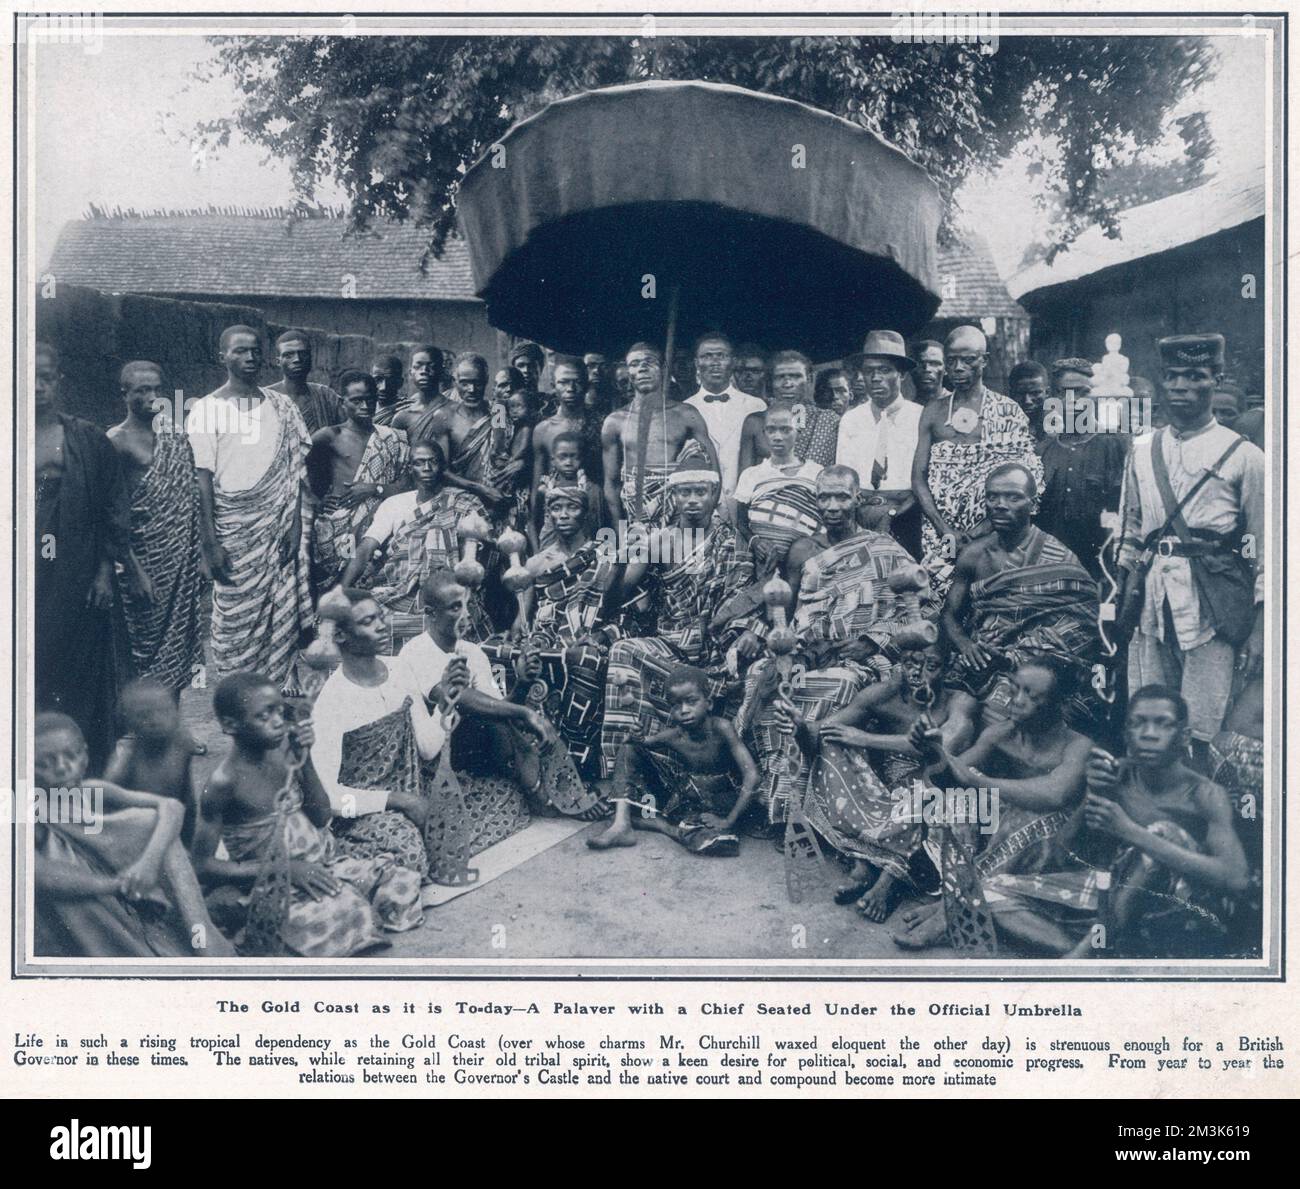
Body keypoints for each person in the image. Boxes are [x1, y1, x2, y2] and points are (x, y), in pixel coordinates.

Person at [741, 466, 927, 829]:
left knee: (837, 682)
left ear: (857, 498)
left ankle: (806, 811)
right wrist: (766, 636)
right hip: (806, 650)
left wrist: (872, 640)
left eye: (841, 496)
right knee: (761, 678)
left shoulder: (884, 548)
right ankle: (779, 804)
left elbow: (921, 608)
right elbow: (787, 608)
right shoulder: (803, 550)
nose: (832, 505)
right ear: (815, 499)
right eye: (824, 496)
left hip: (864, 658)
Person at [194, 669, 425, 955]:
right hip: (275, 882)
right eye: (263, 716)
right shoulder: (223, 783)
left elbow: (321, 817)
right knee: (346, 910)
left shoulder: (284, 752)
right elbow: (202, 865)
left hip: (323, 865)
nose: (278, 722)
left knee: (400, 881)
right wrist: (285, 869)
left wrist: (305, 759)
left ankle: (348, 912)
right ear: (230, 725)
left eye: (279, 711)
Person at [1117, 334, 1264, 771]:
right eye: (1173, 376)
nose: (1181, 386)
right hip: (1151, 601)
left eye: (1196, 376)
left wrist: (1260, 629)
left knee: (1205, 723)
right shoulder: (1142, 449)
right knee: (1149, 716)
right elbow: (1130, 529)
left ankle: (1201, 814)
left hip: (1212, 600)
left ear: (1215, 381)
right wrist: (1125, 591)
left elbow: (1265, 550)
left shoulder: (1244, 455)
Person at [893, 655, 1092, 951]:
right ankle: (959, 900)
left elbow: (1055, 795)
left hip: (1056, 853)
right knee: (954, 803)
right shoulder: (1000, 734)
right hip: (1004, 849)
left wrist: (978, 782)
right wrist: (936, 754)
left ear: (1057, 704)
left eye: (1031, 695)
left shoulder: (1078, 746)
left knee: (1028, 813)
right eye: (1015, 689)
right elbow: (950, 780)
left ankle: (952, 909)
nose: (1017, 700)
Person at [776, 639, 977, 921]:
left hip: (931, 793)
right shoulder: (881, 695)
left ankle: (885, 879)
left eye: (930, 666)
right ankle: (867, 863)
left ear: (947, 668)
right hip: (884, 794)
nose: (917, 674)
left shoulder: (961, 702)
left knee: (941, 793)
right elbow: (820, 732)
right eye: (910, 664)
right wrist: (799, 727)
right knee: (832, 741)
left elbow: (946, 744)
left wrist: (866, 738)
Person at [600, 458, 763, 777]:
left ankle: (674, 773)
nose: (692, 499)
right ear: (672, 496)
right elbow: (612, 601)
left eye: (700, 492)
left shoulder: (733, 542)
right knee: (624, 652)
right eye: (684, 492)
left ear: (714, 493)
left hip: (715, 653)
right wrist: (620, 560)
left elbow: (747, 599)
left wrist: (747, 633)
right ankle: (622, 774)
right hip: (669, 648)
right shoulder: (660, 540)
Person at [33, 711, 234, 958]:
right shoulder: (34, 812)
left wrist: (147, 864)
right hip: (91, 899)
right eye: (45, 763)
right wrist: (118, 885)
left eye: (71, 756)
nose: (63, 768)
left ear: (84, 754)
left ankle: (200, 936)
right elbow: (39, 875)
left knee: (148, 821)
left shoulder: (91, 791)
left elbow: (172, 807)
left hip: (133, 883)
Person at [398, 570, 587, 822]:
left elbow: (497, 707)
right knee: (504, 719)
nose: (465, 615)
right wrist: (526, 712)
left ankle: (549, 788)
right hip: (433, 756)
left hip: (468, 745)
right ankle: (542, 793)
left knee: (502, 719)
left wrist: (522, 684)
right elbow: (457, 697)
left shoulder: (472, 651)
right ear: (430, 614)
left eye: (467, 605)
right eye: (455, 608)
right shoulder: (416, 651)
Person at [35, 341, 144, 769]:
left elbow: (111, 509)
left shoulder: (84, 438)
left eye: (47, 378)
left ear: (59, 381)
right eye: (30, 378)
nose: (39, 387)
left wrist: (104, 573)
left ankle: (84, 764)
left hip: (75, 574)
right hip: (19, 575)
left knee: (76, 673)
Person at [188, 325, 312, 690]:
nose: (250, 357)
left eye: (256, 350)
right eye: (240, 351)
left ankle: (272, 692)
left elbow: (294, 473)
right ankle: (236, 693)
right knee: (232, 619)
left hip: (278, 529)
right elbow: (202, 480)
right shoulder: (206, 410)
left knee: (281, 612)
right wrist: (209, 543)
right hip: (232, 530)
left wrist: (296, 526)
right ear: (222, 356)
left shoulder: (282, 407)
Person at [941, 464, 1100, 726]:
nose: (1000, 505)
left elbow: (1082, 627)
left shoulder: (1059, 559)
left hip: (1036, 671)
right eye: (992, 497)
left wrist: (1014, 657)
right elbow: (949, 613)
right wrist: (965, 646)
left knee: (1000, 717)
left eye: (1013, 497)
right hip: (981, 660)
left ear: (1033, 505)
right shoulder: (974, 555)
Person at [491, 480, 624, 780]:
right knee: (514, 655)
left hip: (591, 632)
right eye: (556, 508)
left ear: (586, 513)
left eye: (572, 507)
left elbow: (615, 606)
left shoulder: (605, 554)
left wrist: (599, 633)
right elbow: (523, 615)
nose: (563, 515)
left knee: (584, 658)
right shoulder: (538, 562)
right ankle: (532, 752)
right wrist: (516, 633)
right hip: (549, 635)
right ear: (549, 514)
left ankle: (579, 759)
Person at [912, 325, 1042, 594]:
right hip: (940, 532)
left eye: (968, 360)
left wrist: (983, 528)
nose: (958, 368)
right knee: (939, 597)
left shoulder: (1007, 411)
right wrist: (943, 528)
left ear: (984, 360)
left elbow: (1027, 478)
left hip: (995, 529)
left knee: (990, 595)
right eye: (951, 361)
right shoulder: (933, 412)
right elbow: (918, 478)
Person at [107, 360, 205, 700]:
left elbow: (190, 495)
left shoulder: (174, 436)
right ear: (124, 394)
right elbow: (110, 513)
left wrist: (200, 555)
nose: (152, 397)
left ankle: (172, 726)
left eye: (156, 389)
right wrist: (132, 569)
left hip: (180, 559)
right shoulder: (115, 442)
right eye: (141, 390)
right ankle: (144, 728)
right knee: (142, 647)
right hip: (141, 558)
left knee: (178, 645)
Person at [590, 666, 760, 855]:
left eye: (691, 701)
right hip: (688, 798)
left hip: (722, 803)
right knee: (629, 748)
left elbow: (751, 774)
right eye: (676, 705)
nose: (684, 710)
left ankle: (663, 826)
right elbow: (641, 743)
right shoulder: (674, 735)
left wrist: (729, 820)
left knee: (716, 841)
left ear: (709, 703)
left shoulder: (722, 729)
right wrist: (635, 737)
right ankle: (621, 824)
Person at [341, 441, 493, 650]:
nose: (427, 469)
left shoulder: (465, 504)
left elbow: (478, 556)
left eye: (433, 462)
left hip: (446, 593)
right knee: (365, 617)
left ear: (442, 466)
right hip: (397, 591)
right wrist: (343, 590)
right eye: (419, 463)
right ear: (409, 468)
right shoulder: (394, 504)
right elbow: (366, 548)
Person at [306, 370, 408, 590]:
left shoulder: (392, 437)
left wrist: (374, 488)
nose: (365, 406)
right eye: (357, 400)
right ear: (343, 402)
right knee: (338, 583)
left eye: (370, 400)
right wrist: (318, 502)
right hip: (339, 528)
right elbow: (298, 476)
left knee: (372, 586)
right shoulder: (330, 436)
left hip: (381, 525)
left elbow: (407, 488)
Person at [600, 341, 718, 527]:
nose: (642, 369)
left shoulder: (686, 414)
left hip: (681, 513)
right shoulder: (615, 421)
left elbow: (712, 472)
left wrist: (704, 518)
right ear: (629, 373)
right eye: (635, 364)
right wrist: (621, 530)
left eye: (650, 362)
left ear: (664, 368)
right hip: (636, 514)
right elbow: (611, 483)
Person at [836, 330, 924, 558]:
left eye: (884, 370)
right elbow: (844, 479)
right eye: (868, 371)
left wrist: (893, 513)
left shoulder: (920, 418)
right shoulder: (851, 420)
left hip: (909, 514)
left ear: (901, 374)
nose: (875, 378)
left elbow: (926, 479)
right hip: (861, 512)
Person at [1036, 366, 1129, 580]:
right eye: (1066, 392)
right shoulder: (1043, 450)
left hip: (1101, 571)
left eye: (1083, 392)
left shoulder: (1114, 446)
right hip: (1050, 570)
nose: (1075, 401)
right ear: (1054, 397)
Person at [105, 678, 203, 848]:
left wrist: (188, 843)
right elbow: (107, 815)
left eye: (164, 711)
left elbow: (188, 799)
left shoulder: (182, 743)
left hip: (174, 828)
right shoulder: (124, 763)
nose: (155, 720)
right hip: (135, 838)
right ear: (128, 722)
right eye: (143, 715)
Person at [733, 404, 823, 579]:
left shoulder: (816, 472)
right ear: (764, 433)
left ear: (798, 432)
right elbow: (741, 522)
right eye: (771, 430)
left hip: (806, 557)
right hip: (761, 557)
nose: (778, 437)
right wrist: (756, 542)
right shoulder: (751, 474)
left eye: (786, 430)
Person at [420, 352, 511, 518]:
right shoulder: (444, 416)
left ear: (486, 380)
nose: (472, 390)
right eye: (465, 383)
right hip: (459, 497)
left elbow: (500, 453)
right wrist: (482, 490)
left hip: (498, 495)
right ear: (455, 382)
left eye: (478, 383)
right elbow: (443, 470)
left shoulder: (498, 411)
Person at [685, 333, 766, 495]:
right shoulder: (685, 408)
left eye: (721, 356)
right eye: (707, 356)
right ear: (696, 363)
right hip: (703, 503)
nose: (715, 363)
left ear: (733, 362)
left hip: (745, 499)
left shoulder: (755, 405)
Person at [737, 349, 839, 472]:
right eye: (780, 377)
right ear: (771, 382)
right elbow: (745, 478)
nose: (788, 384)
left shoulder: (828, 420)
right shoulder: (755, 422)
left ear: (809, 379)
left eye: (796, 376)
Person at [533, 354, 603, 498]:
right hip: (556, 509)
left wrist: (619, 522)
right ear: (553, 386)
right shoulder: (543, 430)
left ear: (586, 386)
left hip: (595, 505)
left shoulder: (602, 424)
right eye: (563, 382)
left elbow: (611, 479)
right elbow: (538, 481)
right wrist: (534, 520)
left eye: (577, 382)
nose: (570, 388)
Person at [532, 430, 603, 550]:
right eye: (563, 457)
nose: (568, 463)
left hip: (583, 554)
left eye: (574, 457)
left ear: (582, 459)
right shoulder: (544, 490)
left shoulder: (592, 490)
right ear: (553, 460)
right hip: (549, 553)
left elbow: (599, 526)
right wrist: (537, 554)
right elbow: (535, 523)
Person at [269, 330, 344, 435]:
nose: (297, 359)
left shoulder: (327, 397)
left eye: (303, 354)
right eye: (289, 355)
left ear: (310, 358)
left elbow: (347, 432)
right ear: (278, 362)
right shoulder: (265, 398)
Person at [486, 382, 535, 532]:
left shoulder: (525, 426)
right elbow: (498, 446)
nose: (507, 389)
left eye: (510, 384)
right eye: (501, 384)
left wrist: (515, 460)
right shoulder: (498, 410)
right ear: (493, 388)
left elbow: (524, 449)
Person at [392, 344, 452, 444]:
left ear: (441, 371)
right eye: (418, 366)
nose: (424, 371)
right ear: (411, 372)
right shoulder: (402, 418)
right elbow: (397, 455)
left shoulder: (455, 411)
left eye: (431, 366)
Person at [1006, 360, 1051, 448]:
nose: (1027, 401)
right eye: (1020, 394)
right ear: (1011, 394)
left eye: (1035, 393)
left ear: (1047, 392)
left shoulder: (1062, 427)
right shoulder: (999, 427)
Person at [371, 354, 411, 428]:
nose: (383, 387)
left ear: (400, 383)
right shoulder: (364, 409)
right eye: (378, 380)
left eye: (390, 381)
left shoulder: (409, 409)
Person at [909, 339, 947, 405]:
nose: (927, 369)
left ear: (946, 369)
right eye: (920, 363)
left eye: (935, 363)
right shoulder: (906, 410)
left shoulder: (960, 405)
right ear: (911, 369)